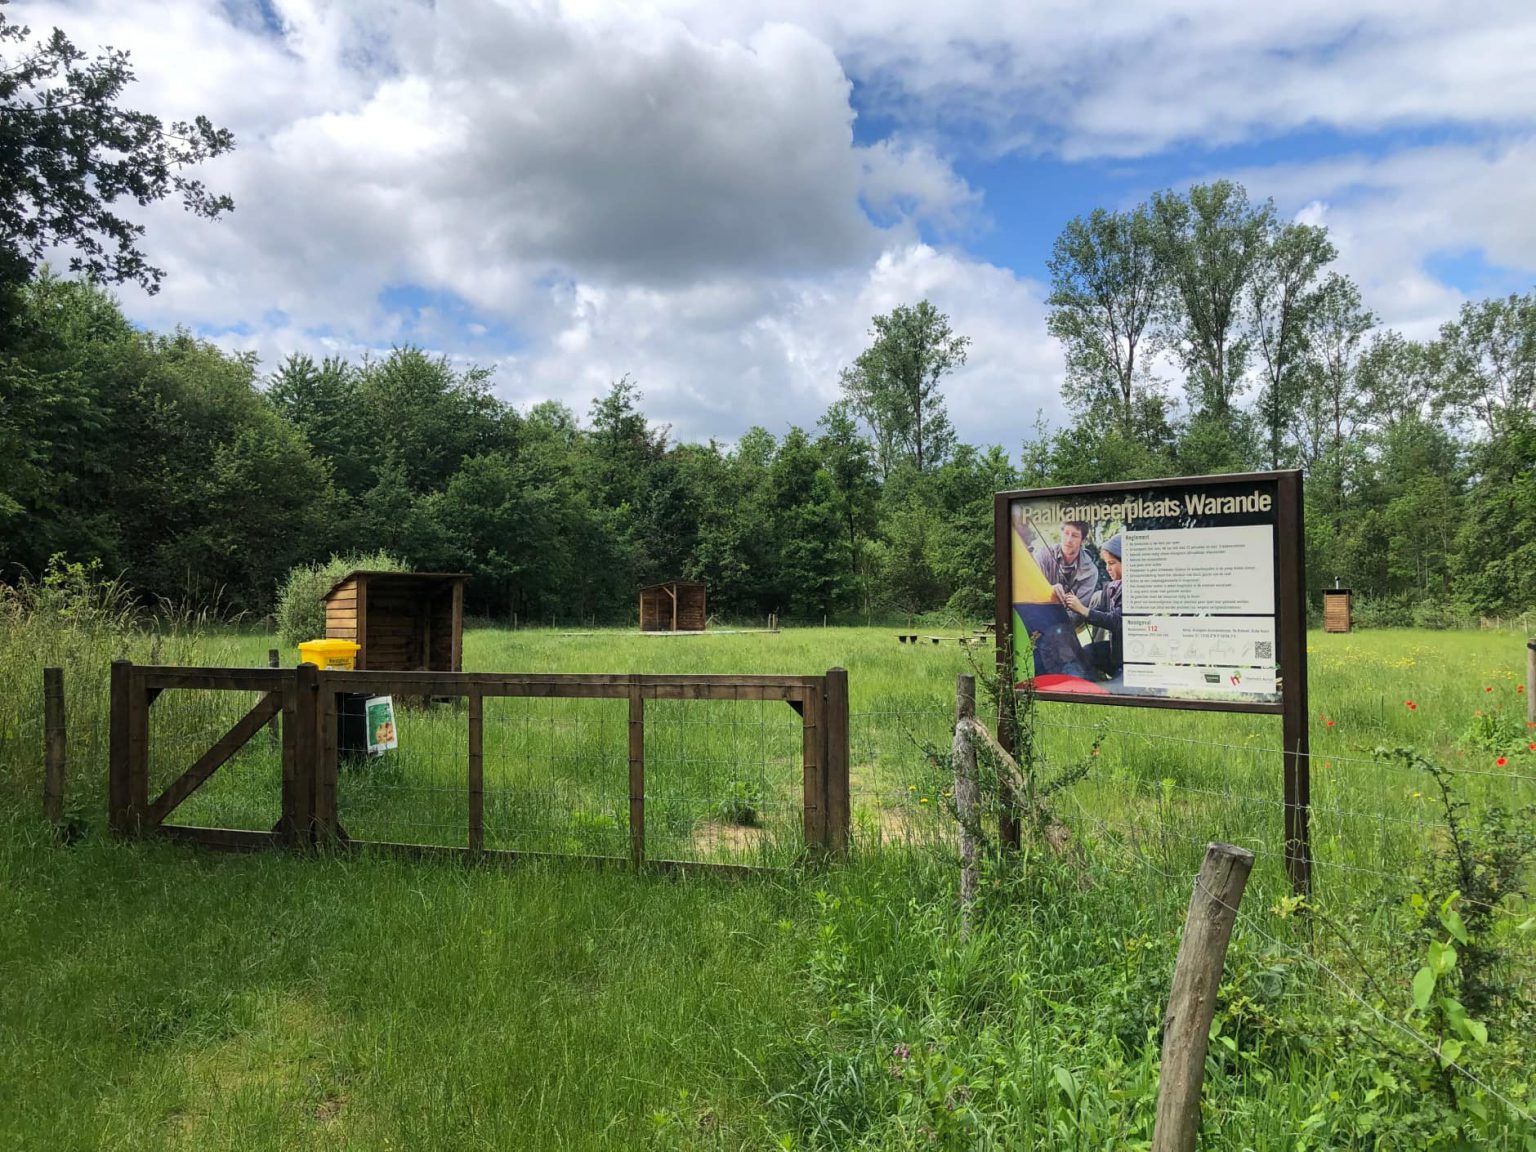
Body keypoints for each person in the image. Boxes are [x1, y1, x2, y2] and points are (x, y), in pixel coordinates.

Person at [1063, 533, 1122, 679]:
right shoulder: (1112, 587)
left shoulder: (1135, 588)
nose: (1108, 568)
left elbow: (1116, 621)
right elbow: (1097, 609)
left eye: (1112, 563)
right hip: (1115, 650)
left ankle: (1111, 681)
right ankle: (1096, 682)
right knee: (1086, 653)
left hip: (1130, 657)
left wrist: (1083, 610)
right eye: (1106, 563)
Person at [1029, 517, 1100, 608]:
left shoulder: (1090, 571)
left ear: (1083, 541)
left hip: (1070, 619)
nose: (1068, 540)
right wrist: (1049, 591)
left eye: (1074, 536)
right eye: (1066, 533)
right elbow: (1031, 589)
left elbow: (1078, 613)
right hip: (1041, 611)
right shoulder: (1044, 554)